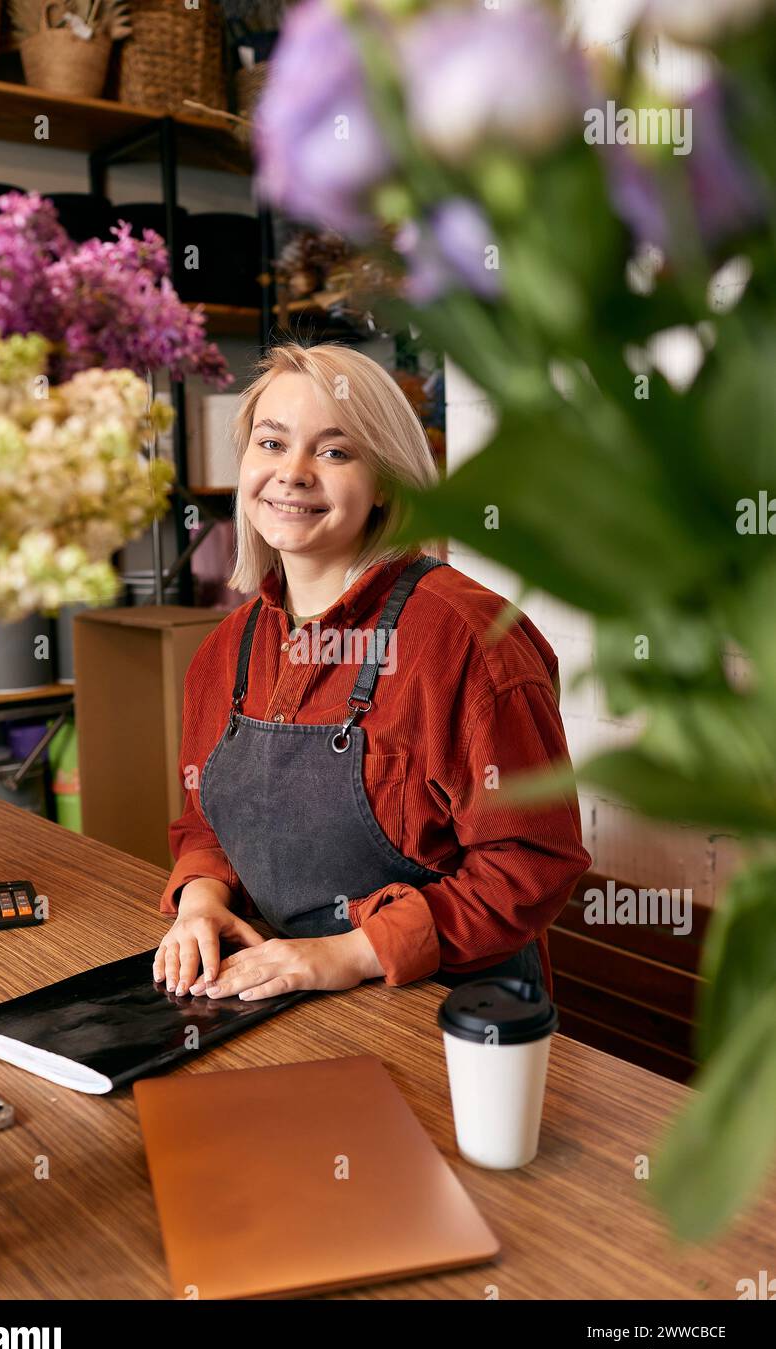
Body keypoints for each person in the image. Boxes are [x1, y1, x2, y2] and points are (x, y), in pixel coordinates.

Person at [154, 342, 590, 1003]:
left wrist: (351, 954)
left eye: (334, 451)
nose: (293, 473)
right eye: (272, 443)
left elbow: (531, 864)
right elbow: (206, 822)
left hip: (448, 1014)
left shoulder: (467, 640)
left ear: (386, 481)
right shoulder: (223, 652)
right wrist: (202, 900)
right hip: (276, 993)